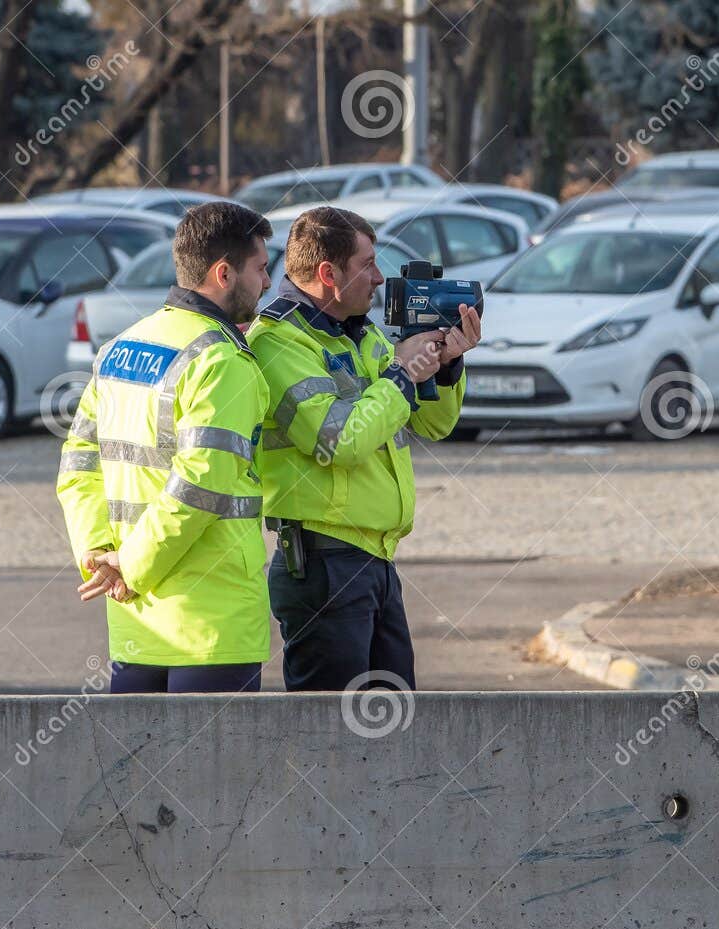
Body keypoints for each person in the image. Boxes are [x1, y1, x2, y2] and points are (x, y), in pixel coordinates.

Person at [249, 206, 481, 692]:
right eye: (368, 264)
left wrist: (446, 367)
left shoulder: (363, 333)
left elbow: (433, 426)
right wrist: (401, 375)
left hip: (373, 558)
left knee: (393, 724)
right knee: (331, 737)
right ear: (328, 274)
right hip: (325, 563)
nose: (380, 278)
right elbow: (340, 442)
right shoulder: (279, 341)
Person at [55, 201, 274, 693]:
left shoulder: (120, 348)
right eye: (260, 269)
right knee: (216, 771)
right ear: (224, 273)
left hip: (135, 624)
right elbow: (201, 485)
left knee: (137, 768)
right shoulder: (222, 362)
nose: (266, 283)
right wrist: (128, 568)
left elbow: (78, 467)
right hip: (212, 625)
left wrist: (99, 557)